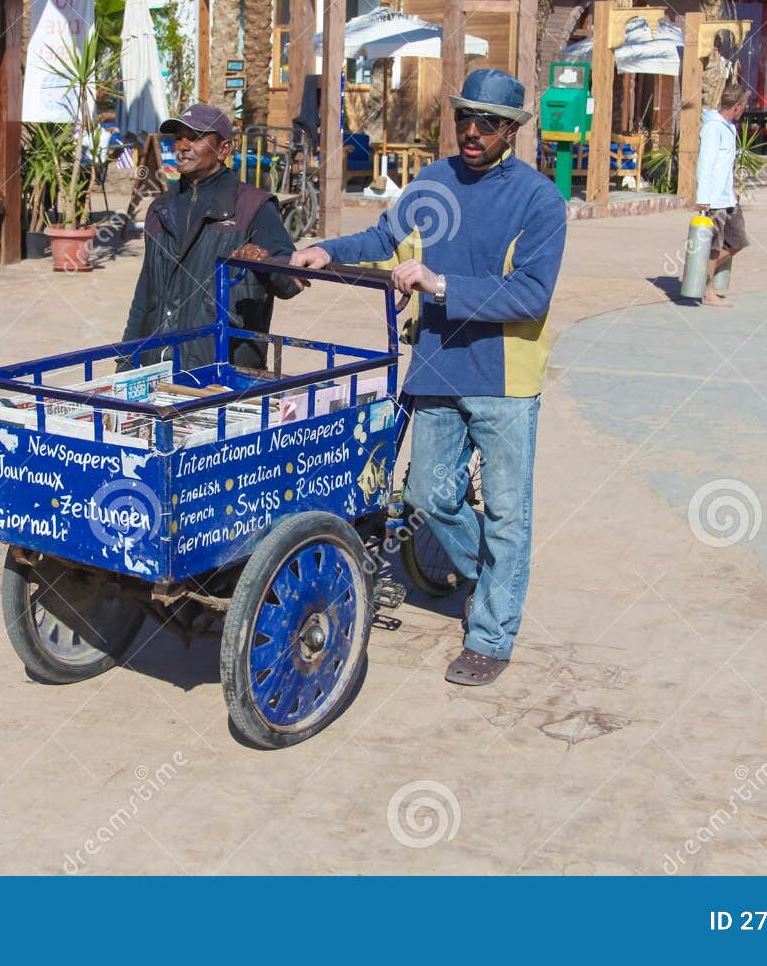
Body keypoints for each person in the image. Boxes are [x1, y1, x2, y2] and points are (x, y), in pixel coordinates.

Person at [290, 69, 567, 687]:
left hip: (505, 378)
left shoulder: (539, 200)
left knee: (507, 515)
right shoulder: (434, 182)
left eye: (488, 122)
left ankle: (492, 635)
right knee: (427, 498)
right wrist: (327, 250)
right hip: (439, 362)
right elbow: (385, 237)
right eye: (464, 117)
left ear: (513, 131)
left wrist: (438, 283)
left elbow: (529, 293)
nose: (472, 131)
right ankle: (486, 576)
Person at [120, 103, 300, 371]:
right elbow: (144, 295)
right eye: (178, 137)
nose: (182, 146)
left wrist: (264, 264)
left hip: (222, 371)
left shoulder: (254, 207)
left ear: (224, 150)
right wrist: (125, 363)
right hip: (155, 367)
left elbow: (291, 283)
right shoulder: (160, 209)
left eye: (195, 137)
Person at [695, 82, 750, 308]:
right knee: (714, 247)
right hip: (714, 199)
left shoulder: (730, 128)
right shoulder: (713, 128)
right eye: (744, 105)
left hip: (728, 197)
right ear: (737, 106)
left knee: (738, 241)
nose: (745, 108)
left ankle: (699, 274)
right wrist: (703, 197)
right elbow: (705, 164)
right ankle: (707, 291)